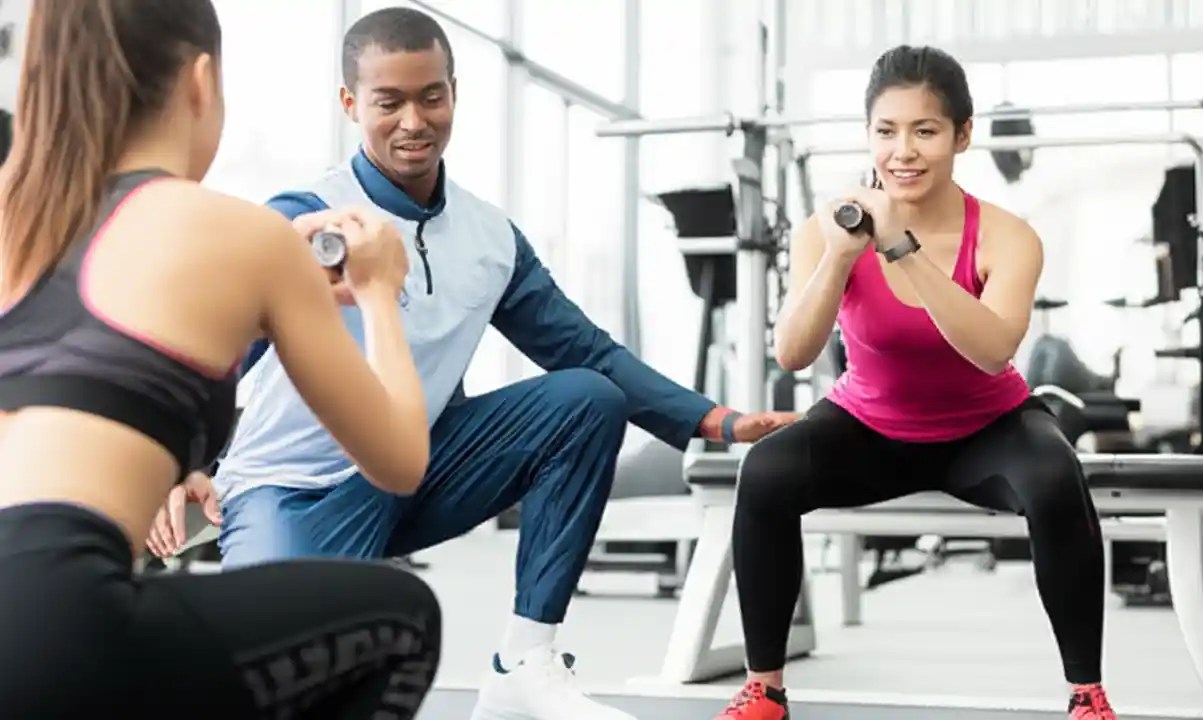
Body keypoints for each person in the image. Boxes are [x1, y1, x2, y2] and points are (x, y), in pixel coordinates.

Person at [144, 6, 798, 720]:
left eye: (432, 96)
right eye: (388, 102)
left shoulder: (489, 237)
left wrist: (717, 421)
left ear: (454, 91)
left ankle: (524, 660)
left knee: (583, 398)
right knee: (279, 686)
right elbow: (223, 344)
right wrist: (177, 457)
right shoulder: (307, 213)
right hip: (295, 487)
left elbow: (586, 350)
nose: (414, 121)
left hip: (418, 470)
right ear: (350, 104)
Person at [0, 2, 443, 718]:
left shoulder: (16, 215)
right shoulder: (241, 233)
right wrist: (380, 293)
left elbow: (78, 384)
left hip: (37, 613)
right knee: (401, 618)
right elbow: (400, 461)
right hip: (52, 622)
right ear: (202, 82)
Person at [712, 45, 1116, 720]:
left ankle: (1088, 694)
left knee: (1054, 476)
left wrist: (903, 248)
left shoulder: (1007, 236)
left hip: (988, 428)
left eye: (925, 131)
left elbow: (992, 352)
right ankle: (766, 689)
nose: (903, 151)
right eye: (886, 130)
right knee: (766, 472)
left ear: (962, 135)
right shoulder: (827, 228)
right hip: (869, 426)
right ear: (868, 133)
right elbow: (791, 353)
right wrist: (840, 258)